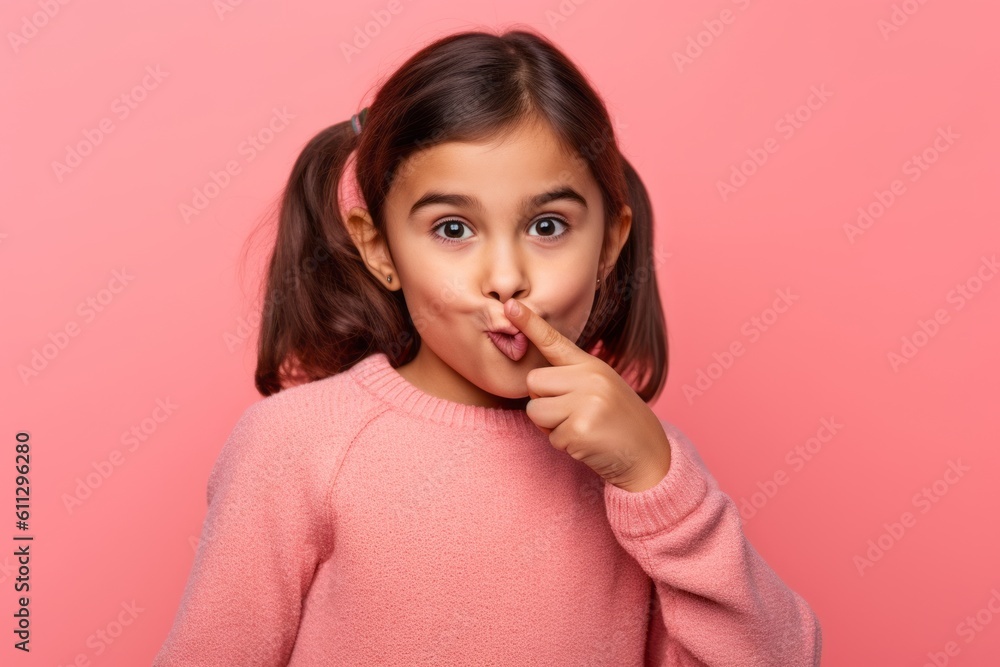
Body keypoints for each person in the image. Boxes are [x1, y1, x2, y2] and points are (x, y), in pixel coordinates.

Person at [152, 27, 822, 666]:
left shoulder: (643, 466)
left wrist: (657, 484)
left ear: (610, 243)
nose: (506, 278)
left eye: (548, 224)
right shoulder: (297, 446)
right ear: (379, 246)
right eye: (452, 228)